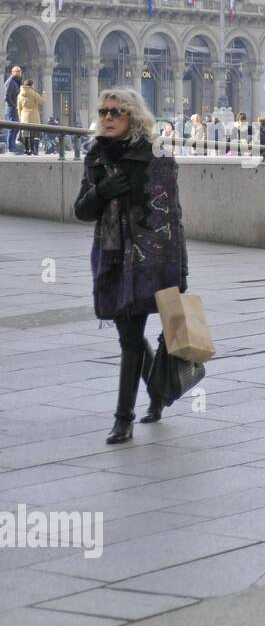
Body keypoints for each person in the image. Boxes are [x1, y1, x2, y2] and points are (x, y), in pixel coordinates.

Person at [72, 89, 187, 444]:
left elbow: (170, 216)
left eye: (116, 112)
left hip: (146, 258)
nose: (107, 117)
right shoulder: (94, 155)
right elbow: (81, 210)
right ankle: (157, 392)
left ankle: (124, 419)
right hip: (110, 256)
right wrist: (102, 191)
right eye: (103, 111)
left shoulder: (156, 156)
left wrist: (177, 269)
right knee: (129, 335)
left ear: (132, 117)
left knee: (130, 339)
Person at [17, 79, 44, 155]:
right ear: (31, 85)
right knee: (32, 134)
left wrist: (20, 116)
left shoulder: (20, 94)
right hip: (33, 115)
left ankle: (26, 149)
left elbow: (18, 107)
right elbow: (42, 101)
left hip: (24, 116)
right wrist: (44, 95)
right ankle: (32, 149)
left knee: (25, 134)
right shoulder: (33, 93)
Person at [4, 65, 22, 153]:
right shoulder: (10, 81)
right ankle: (11, 148)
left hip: (14, 108)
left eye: (20, 71)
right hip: (11, 108)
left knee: (16, 127)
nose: (20, 73)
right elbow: (7, 96)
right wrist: (14, 106)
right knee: (12, 128)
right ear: (13, 72)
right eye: (18, 71)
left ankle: (12, 146)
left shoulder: (15, 82)